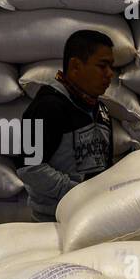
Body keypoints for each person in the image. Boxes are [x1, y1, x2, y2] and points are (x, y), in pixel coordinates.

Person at [18, 30, 115, 222]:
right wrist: (77, 195)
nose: (110, 74)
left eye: (111, 67)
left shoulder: (101, 110)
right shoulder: (47, 107)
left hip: (95, 216)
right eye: (102, 66)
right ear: (75, 66)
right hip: (53, 221)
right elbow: (28, 168)